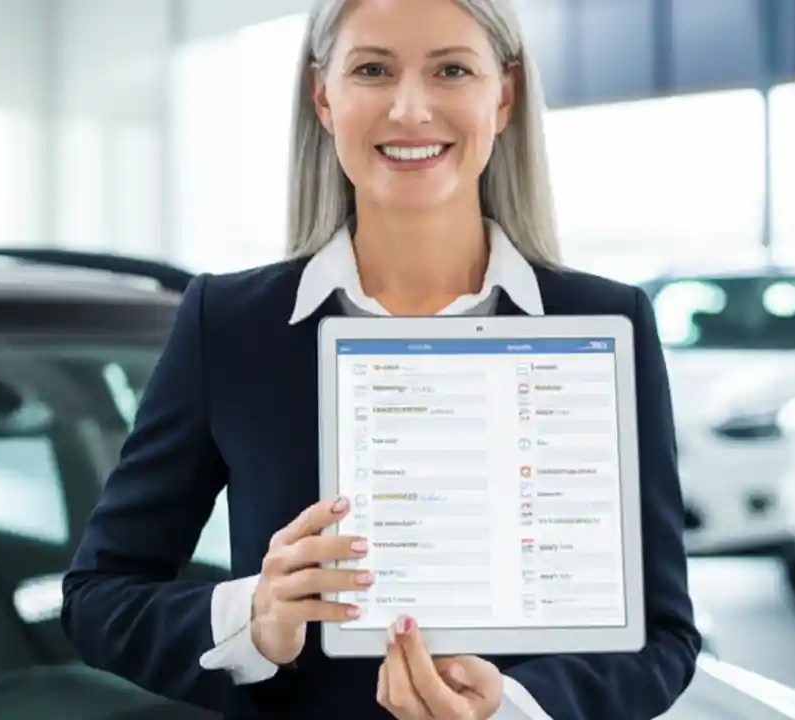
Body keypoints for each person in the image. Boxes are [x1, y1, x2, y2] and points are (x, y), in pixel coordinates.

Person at [61, 0, 701, 717]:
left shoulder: (604, 323)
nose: (410, 108)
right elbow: (97, 598)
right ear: (323, 95)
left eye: (452, 70)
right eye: (372, 69)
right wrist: (257, 619)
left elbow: (663, 636)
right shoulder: (232, 326)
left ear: (506, 94)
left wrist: (517, 707)